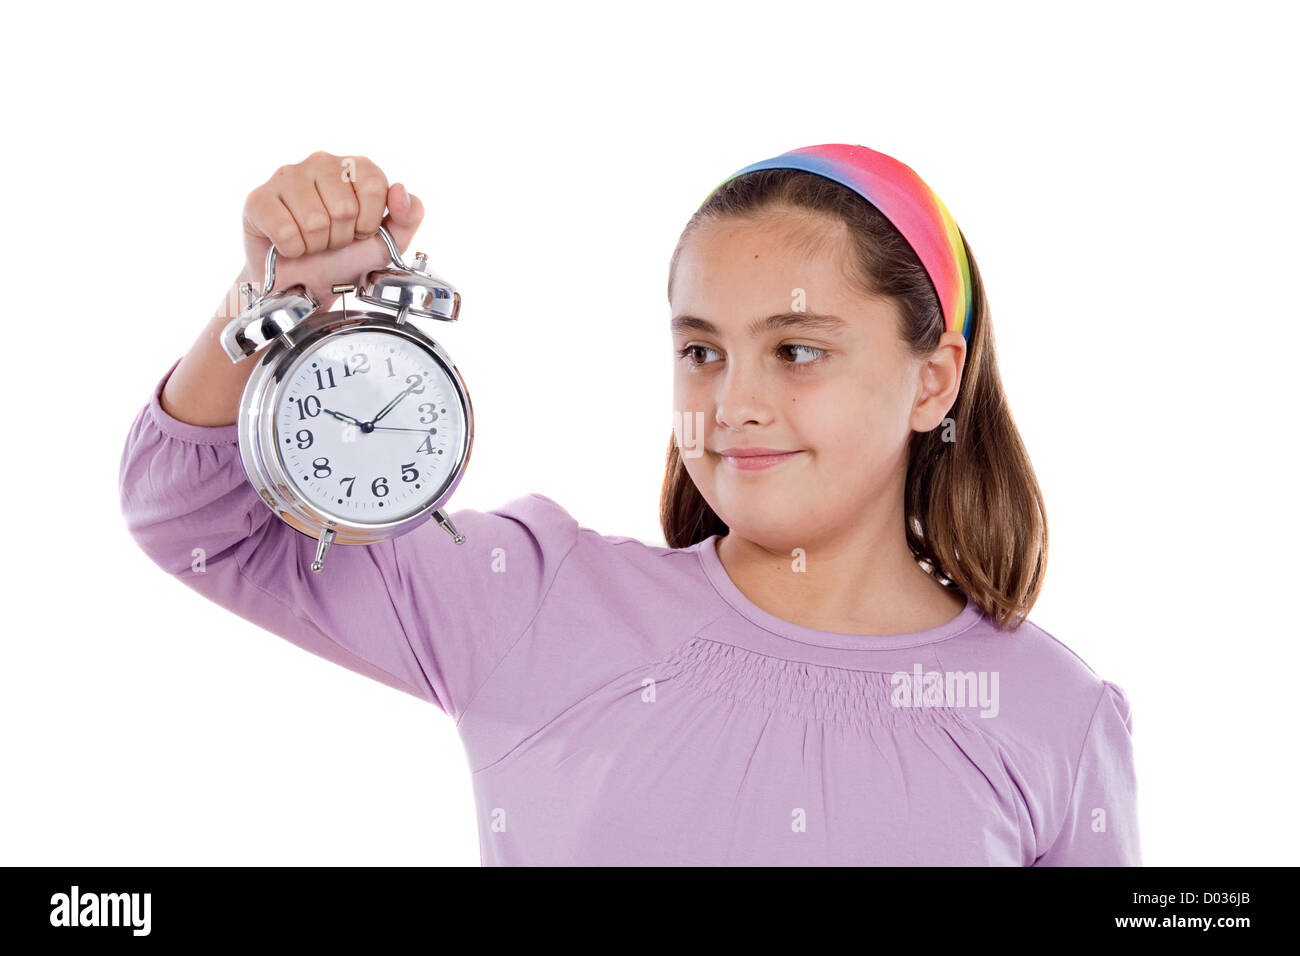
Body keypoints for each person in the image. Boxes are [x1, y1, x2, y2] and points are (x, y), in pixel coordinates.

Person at [118, 145, 1140, 865]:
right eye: (702, 349)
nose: (732, 403)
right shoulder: (538, 600)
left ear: (932, 380)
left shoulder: (1054, 714)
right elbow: (198, 522)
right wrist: (261, 304)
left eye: (796, 350)